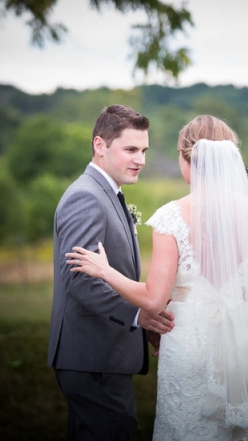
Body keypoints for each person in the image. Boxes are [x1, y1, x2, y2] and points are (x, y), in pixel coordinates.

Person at [67, 115, 248, 440]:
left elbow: (155, 298)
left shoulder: (172, 216)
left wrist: (105, 270)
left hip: (188, 343)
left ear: (187, 159)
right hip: (239, 347)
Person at [47, 105, 176, 441]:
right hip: (93, 359)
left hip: (101, 357)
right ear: (100, 145)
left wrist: (139, 327)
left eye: (144, 150)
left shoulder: (107, 193)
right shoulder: (86, 198)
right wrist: (138, 316)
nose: (141, 159)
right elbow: (79, 279)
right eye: (131, 149)